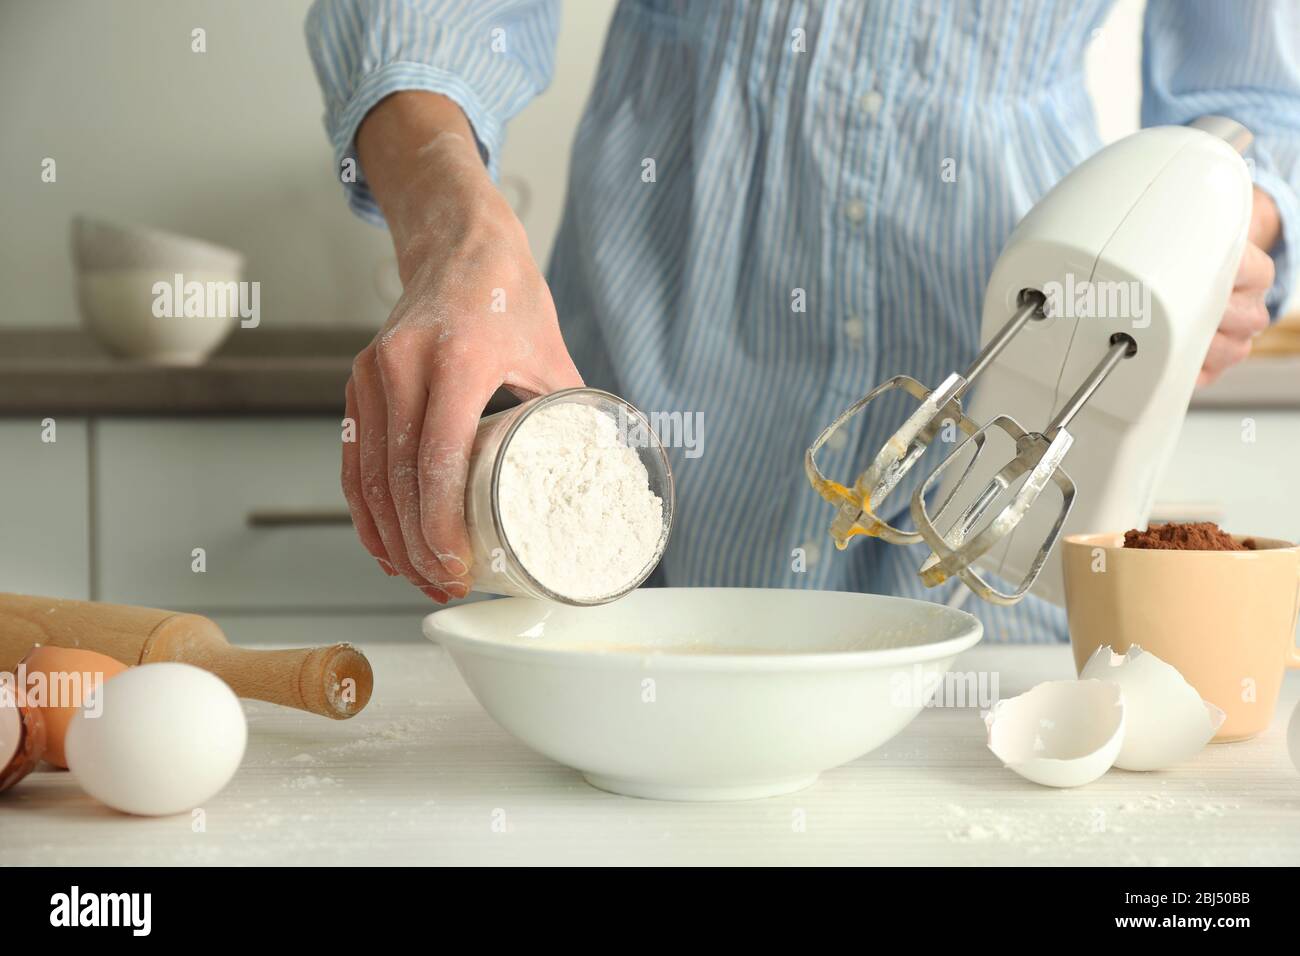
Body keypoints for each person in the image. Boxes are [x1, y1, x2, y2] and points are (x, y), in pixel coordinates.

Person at [305, 0, 1296, 641]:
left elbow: (1255, 96)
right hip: (641, 381)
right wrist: (449, 229)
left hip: (1008, 437)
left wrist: (1222, 224)